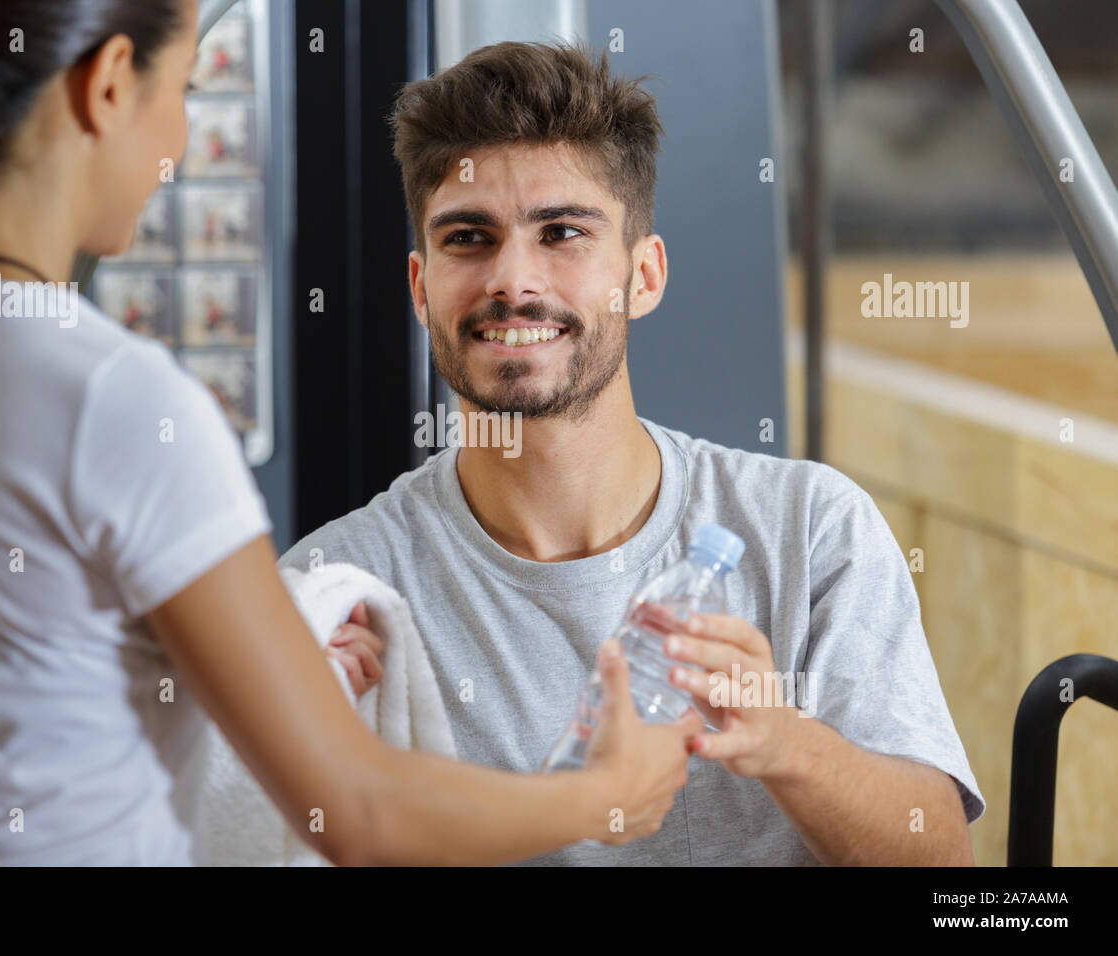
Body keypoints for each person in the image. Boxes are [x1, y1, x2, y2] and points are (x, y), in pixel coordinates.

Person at [0, 0, 699, 866]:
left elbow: (32, 684)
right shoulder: (113, 400)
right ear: (111, 87)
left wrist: (265, 680)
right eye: (186, 89)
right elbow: (358, 813)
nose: (179, 141)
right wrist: (601, 796)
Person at [278, 40, 987, 865]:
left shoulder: (811, 531)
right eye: (469, 237)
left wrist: (784, 743)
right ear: (420, 287)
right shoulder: (343, 593)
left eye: (563, 233)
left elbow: (944, 867)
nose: (514, 279)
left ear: (642, 277)